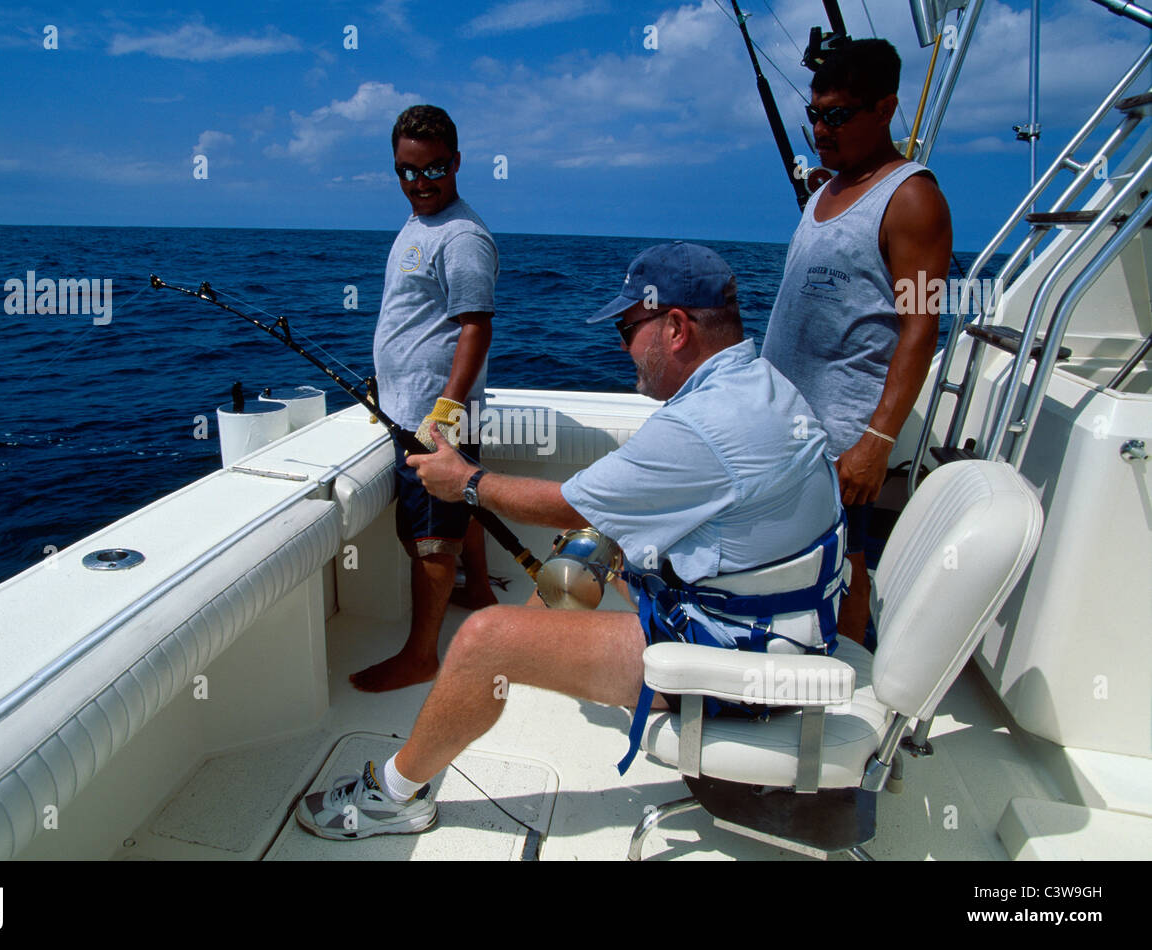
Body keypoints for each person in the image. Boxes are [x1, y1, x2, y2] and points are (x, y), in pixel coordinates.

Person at [296, 242, 843, 840]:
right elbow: (602, 520)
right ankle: (526, 662)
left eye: (627, 327)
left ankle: (396, 797)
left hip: (742, 664)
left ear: (677, 327)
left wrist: (464, 482)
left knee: (484, 638)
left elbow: (566, 504)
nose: (621, 345)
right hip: (785, 624)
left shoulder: (700, 427)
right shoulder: (761, 383)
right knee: (592, 545)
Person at [760, 38, 953, 645]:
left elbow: (922, 328)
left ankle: (850, 679)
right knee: (786, 560)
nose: (820, 129)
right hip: (783, 425)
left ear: (885, 108)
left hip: (841, 437)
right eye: (814, 115)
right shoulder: (826, 188)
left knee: (846, 564)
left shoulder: (913, 199)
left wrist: (876, 442)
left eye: (837, 115)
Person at [351, 104, 499, 693]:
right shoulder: (418, 223)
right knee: (460, 503)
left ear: (456, 162)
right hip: (409, 404)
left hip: (435, 416)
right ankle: (482, 591)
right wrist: (384, 385)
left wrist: (447, 409)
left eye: (434, 169)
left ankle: (421, 656)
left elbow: (475, 326)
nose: (421, 183)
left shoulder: (463, 236)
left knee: (431, 532)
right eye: (407, 172)